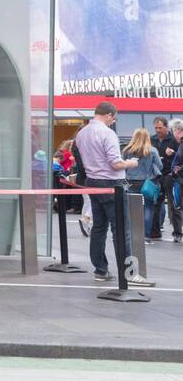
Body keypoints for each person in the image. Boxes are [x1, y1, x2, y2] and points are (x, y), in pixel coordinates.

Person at [75, 102, 150, 284]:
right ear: (109, 115)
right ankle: (129, 273)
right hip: (111, 183)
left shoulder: (82, 133)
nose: (113, 121)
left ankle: (101, 270)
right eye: (114, 118)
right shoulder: (107, 133)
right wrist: (131, 163)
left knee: (99, 228)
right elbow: (115, 163)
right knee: (121, 229)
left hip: (92, 182)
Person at [124, 127, 164, 243]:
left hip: (131, 182)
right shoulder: (152, 150)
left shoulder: (127, 150)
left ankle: (133, 235)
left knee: (132, 209)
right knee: (148, 208)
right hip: (148, 183)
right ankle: (146, 236)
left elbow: (122, 165)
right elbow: (160, 166)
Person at [152, 117, 179, 240]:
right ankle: (155, 232)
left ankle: (177, 233)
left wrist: (173, 153)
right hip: (156, 176)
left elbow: (180, 158)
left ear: (166, 127)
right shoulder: (152, 139)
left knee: (173, 206)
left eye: (160, 128)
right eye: (156, 128)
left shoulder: (174, 139)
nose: (157, 130)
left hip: (170, 176)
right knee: (156, 204)